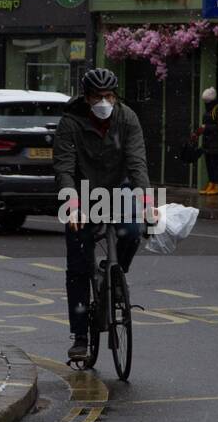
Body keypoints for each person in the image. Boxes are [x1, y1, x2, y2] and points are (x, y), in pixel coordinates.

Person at [54, 67, 154, 362]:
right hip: (82, 193)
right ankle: (81, 336)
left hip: (117, 188)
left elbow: (137, 163)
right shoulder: (70, 123)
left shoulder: (127, 119)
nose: (104, 101)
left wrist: (147, 200)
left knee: (133, 230)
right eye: (98, 96)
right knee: (78, 265)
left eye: (109, 95)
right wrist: (72, 205)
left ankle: (116, 277)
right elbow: (63, 168)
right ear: (86, 98)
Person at [193, 87, 218, 195]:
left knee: (215, 164)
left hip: (217, 143)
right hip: (208, 142)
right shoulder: (209, 111)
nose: (206, 103)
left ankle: (216, 184)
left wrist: (206, 127)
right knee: (209, 164)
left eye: (207, 101)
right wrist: (197, 133)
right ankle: (211, 183)